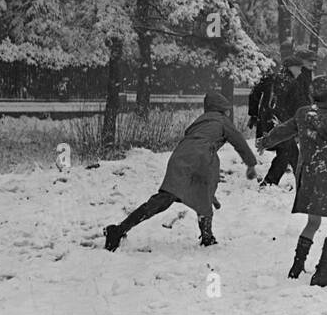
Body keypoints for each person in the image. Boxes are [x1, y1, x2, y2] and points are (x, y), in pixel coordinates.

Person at [104, 92, 257, 250]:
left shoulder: (198, 122)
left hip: (179, 157)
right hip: (202, 159)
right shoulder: (222, 121)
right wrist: (251, 164)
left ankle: (118, 230)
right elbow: (239, 142)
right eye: (227, 109)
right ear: (222, 109)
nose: (228, 112)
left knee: (163, 199)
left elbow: (192, 144)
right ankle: (207, 237)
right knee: (203, 199)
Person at [261, 75, 327, 286]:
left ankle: (297, 267)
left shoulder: (303, 114)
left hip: (308, 177)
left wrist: (265, 140)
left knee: (313, 222)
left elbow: (284, 130)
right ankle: (322, 273)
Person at [253, 47, 316, 187]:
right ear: (292, 67)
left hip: (275, 122)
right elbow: (283, 105)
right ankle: (302, 183)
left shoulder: (277, 78)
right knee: (291, 152)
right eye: (299, 68)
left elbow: (259, 96)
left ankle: (270, 182)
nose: (300, 71)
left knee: (287, 153)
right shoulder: (288, 82)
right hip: (278, 123)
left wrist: (255, 115)